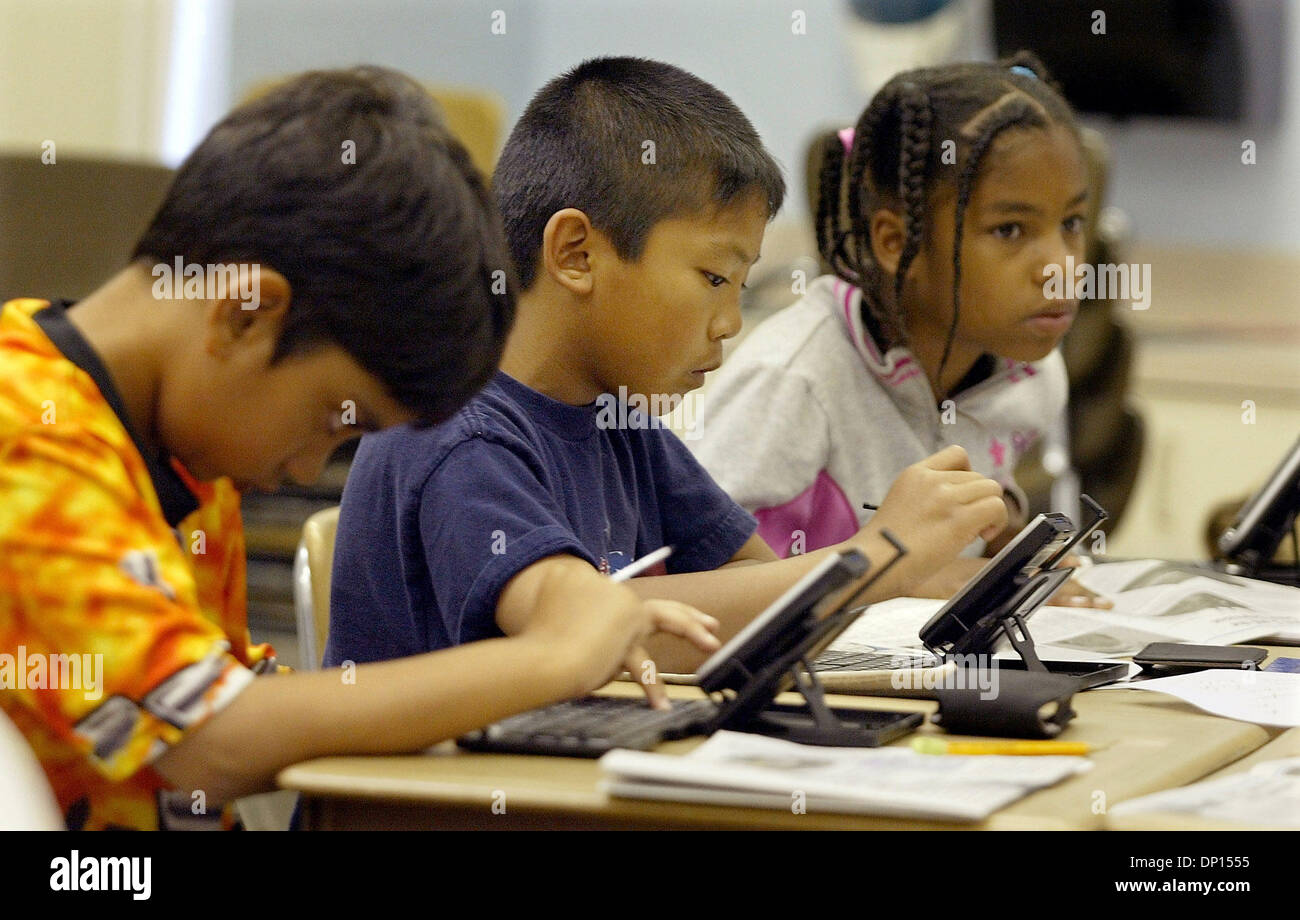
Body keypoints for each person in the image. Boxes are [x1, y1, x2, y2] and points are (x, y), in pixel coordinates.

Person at [0, 66, 716, 831]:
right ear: (247, 313)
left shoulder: (173, 443)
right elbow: (207, 741)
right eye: (333, 422)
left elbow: (221, 694)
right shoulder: (27, 436)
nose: (311, 469)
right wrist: (554, 660)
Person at [328, 57, 1009, 677]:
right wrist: (874, 557)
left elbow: (761, 601)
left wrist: (903, 570)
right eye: (714, 277)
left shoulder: (615, 418)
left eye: (740, 289)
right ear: (575, 253)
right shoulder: (458, 432)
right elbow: (589, 636)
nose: (731, 323)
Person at [692, 53, 1096, 596]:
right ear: (896, 241)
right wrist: (935, 580)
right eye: (1009, 230)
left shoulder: (1031, 375)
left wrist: (1011, 548)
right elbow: (696, 588)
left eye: (1072, 223)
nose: (1062, 268)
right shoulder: (793, 380)